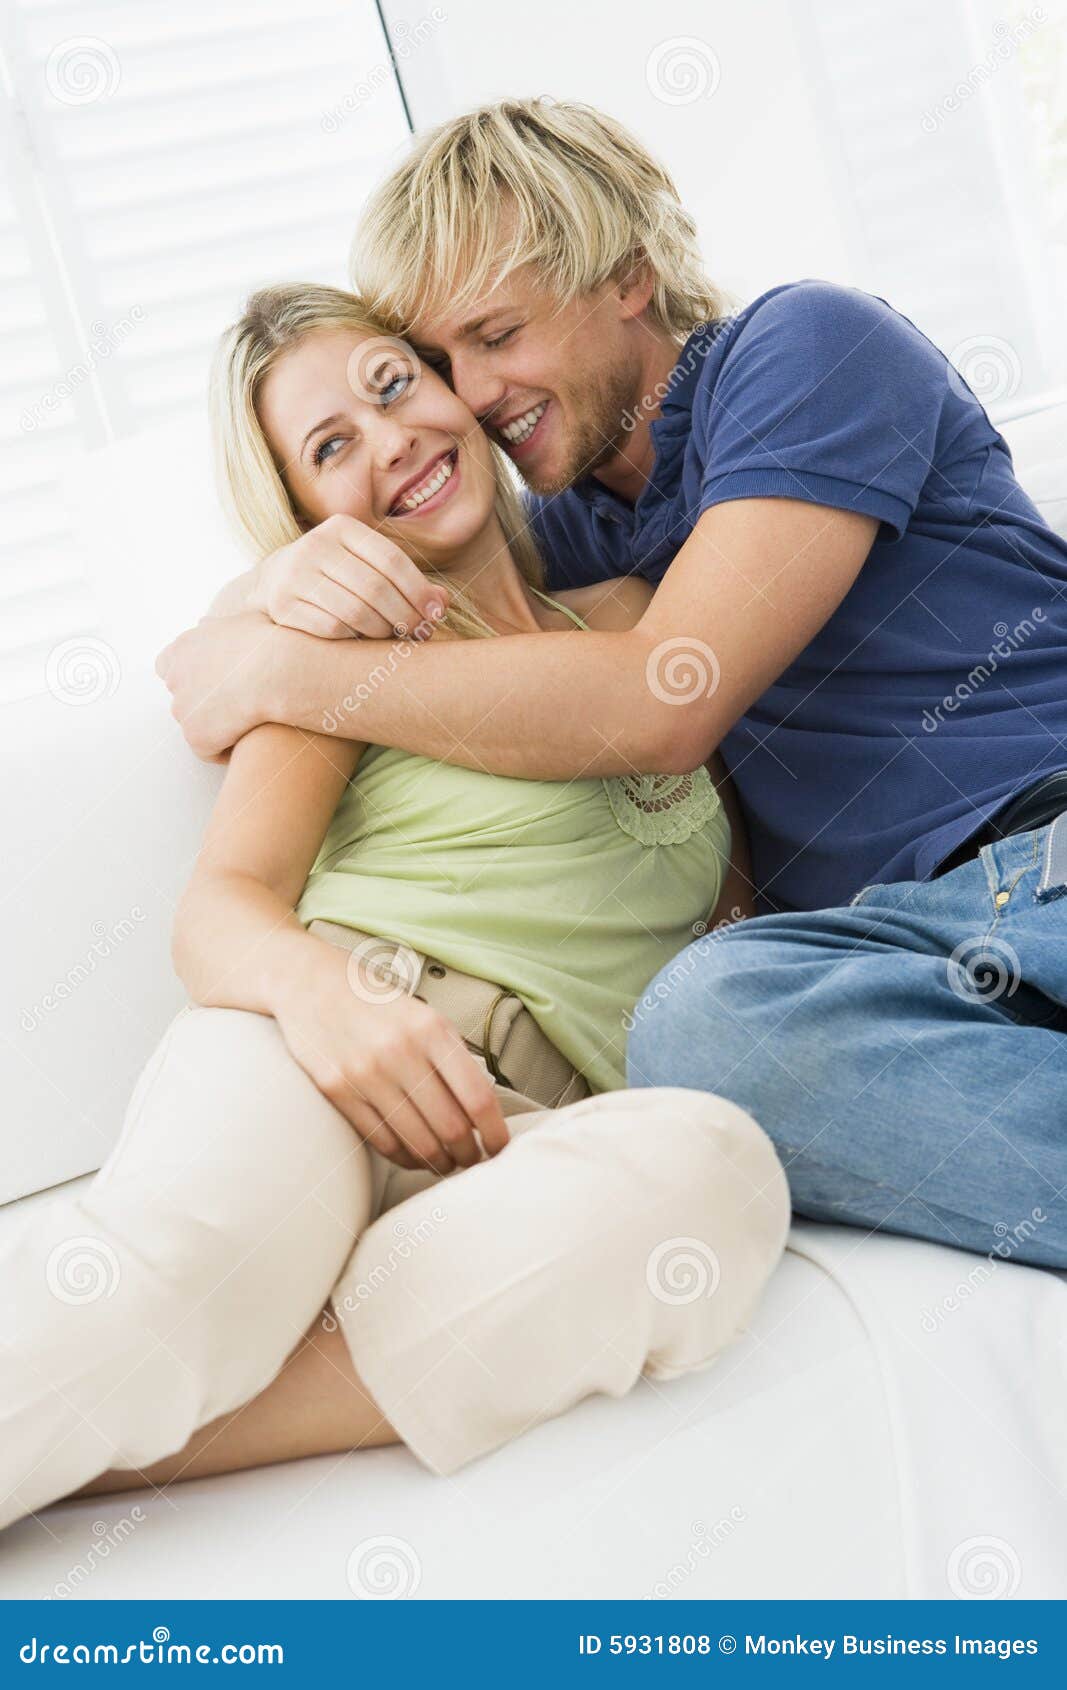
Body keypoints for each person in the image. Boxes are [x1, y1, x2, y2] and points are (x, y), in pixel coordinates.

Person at [158, 98, 1067, 1270]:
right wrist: (275, 580)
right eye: (441, 361)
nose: (472, 394)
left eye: (497, 334)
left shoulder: (809, 352)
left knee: (704, 1017)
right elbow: (201, 677)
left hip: (1038, 851)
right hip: (895, 965)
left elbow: (660, 701)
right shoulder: (575, 539)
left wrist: (286, 667)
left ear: (629, 277)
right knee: (707, 1030)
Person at [0, 285, 788, 1533]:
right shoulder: (328, 657)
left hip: (515, 1134)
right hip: (319, 1047)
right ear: (305, 516)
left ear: (451, 389)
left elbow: (731, 940)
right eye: (330, 447)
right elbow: (218, 908)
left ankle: (131, 1434)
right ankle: (167, 1365)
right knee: (181, 1285)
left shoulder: (638, 629)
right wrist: (333, 1003)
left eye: (392, 387)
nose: (390, 442)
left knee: (714, 1180)